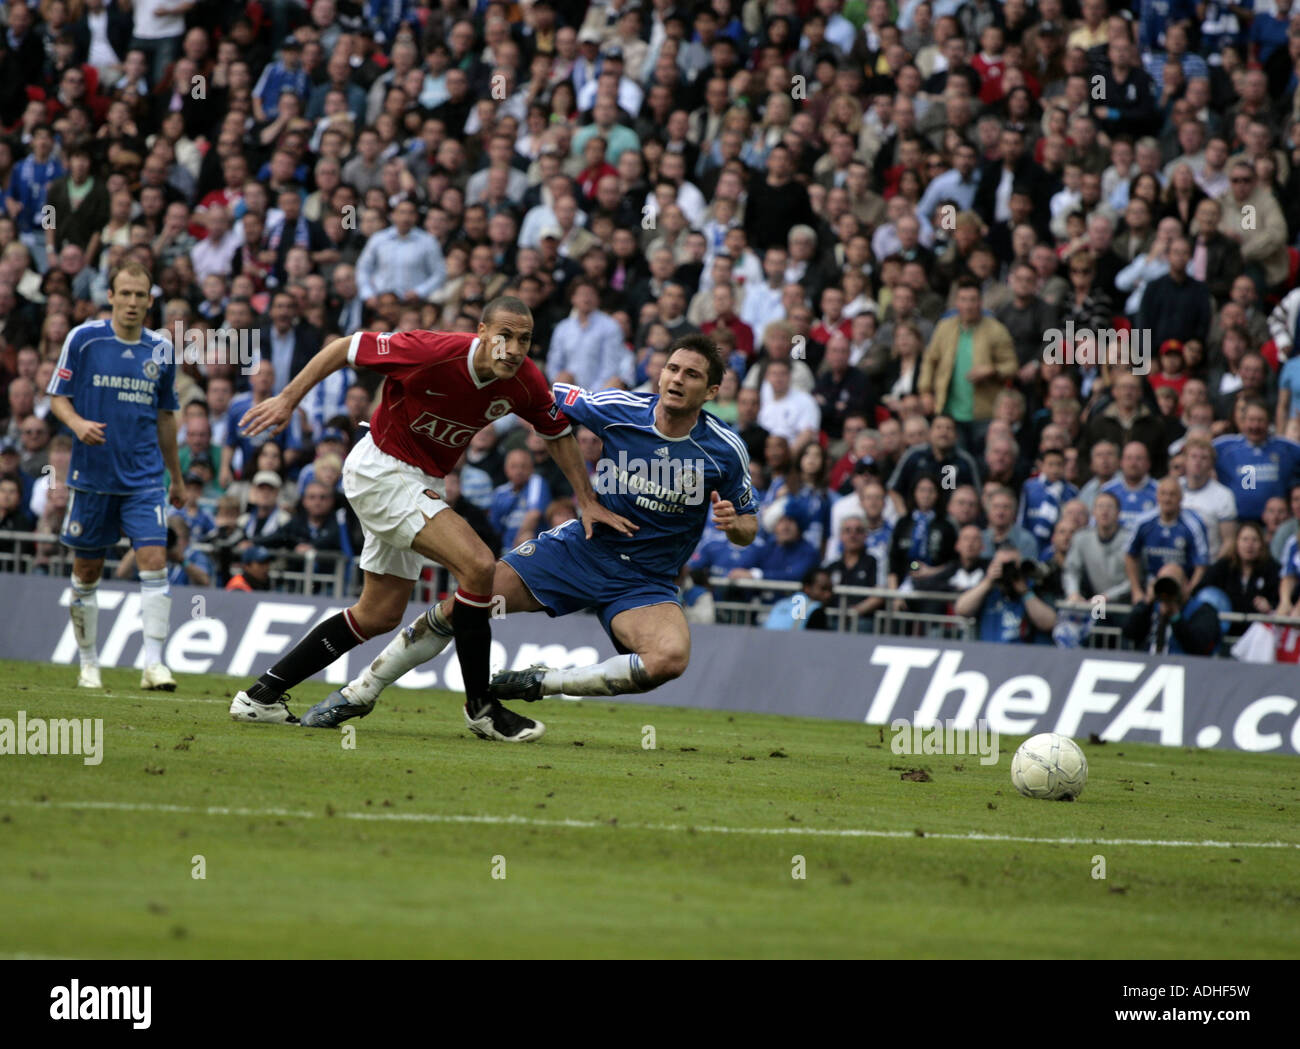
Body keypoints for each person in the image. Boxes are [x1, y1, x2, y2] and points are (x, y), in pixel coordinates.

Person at [230, 295, 633, 741]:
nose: (514, 349)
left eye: (524, 340)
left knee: (379, 613)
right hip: (381, 468)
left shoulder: (525, 381)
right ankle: (482, 707)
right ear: (481, 332)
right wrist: (288, 398)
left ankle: (260, 697)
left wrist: (587, 499)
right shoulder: (431, 351)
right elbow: (343, 347)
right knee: (479, 566)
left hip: (422, 480)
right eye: (504, 336)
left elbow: (556, 433)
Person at [302, 334, 758, 726]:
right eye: (672, 369)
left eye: (692, 375)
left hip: (645, 583)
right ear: (659, 375)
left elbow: (749, 527)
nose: (677, 379)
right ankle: (359, 692)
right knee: (464, 608)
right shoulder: (618, 408)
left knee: (669, 660)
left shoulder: (725, 450)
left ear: (712, 389)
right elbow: (540, 394)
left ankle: (540, 681)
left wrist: (734, 525)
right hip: (579, 552)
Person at [47, 262, 183, 691]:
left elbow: (165, 417)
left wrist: (175, 478)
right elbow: (57, 398)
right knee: (87, 570)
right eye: (125, 293)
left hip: (144, 478)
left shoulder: (161, 349)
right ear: (111, 296)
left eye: (140, 295)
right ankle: (89, 663)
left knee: (155, 562)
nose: (132, 302)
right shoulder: (84, 339)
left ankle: (154, 665)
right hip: (92, 477)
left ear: (149, 300)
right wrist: (77, 425)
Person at [1125, 476, 1211, 600]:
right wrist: (1136, 590)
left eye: (1172, 494)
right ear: (1157, 496)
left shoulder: (1193, 525)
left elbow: (1201, 565)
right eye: (1163, 494)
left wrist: (1189, 590)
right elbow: (1130, 555)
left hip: (1183, 585)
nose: (1167, 499)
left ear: (1181, 498)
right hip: (1152, 584)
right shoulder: (1143, 522)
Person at [954, 547, 1059, 643]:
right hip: (988, 654)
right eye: (1002, 565)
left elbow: (1049, 623)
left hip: (1021, 656)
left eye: (1012, 565)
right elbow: (961, 609)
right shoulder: (987, 590)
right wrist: (988, 581)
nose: (1007, 570)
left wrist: (1025, 592)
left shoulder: (1032, 590)